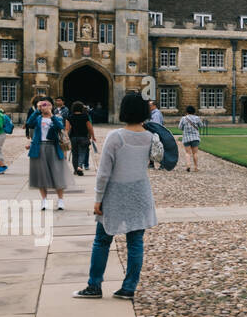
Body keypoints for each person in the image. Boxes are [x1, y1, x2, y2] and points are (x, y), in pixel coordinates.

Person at [73, 92, 158, 300]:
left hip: (115, 193)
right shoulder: (150, 136)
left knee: (102, 240)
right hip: (140, 192)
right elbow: (160, 158)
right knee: (135, 242)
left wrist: (97, 199)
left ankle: (94, 286)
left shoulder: (116, 136)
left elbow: (103, 173)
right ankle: (129, 287)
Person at [26, 98, 69, 210]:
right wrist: (37, 110)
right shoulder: (38, 118)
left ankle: (60, 200)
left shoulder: (56, 117)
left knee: (57, 174)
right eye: (43, 105)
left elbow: (61, 127)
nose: (45, 106)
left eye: (48, 104)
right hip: (39, 147)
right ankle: (44, 200)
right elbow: (29, 123)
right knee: (41, 175)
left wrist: (52, 116)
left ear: (52, 106)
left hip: (53, 147)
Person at [68, 101, 95, 177]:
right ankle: (80, 166)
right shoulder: (85, 116)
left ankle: (75, 170)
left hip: (73, 137)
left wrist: (66, 138)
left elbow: (67, 129)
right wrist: (93, 136)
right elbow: (90, 127)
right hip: (83, 137)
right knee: (82, 153)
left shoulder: (70, 117)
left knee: (74, 154)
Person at [179, 105, 204, 172]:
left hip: (186, 138)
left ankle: (188, 165)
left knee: (187, 153)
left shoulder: (183, 118)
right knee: (195, 153)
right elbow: (201, 125)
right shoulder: (197, 118)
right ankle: (196, 167)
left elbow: (180, 127)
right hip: (195, 137)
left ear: (187, 111)